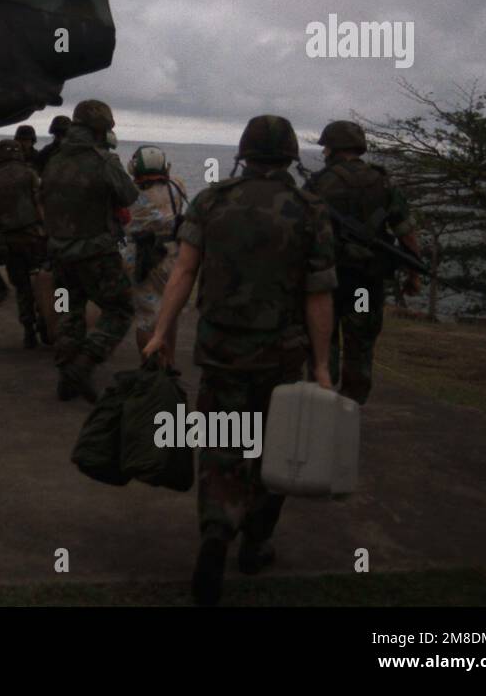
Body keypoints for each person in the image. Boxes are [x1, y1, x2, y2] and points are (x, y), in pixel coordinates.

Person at [143, 115, 337, 606]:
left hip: (220, 350)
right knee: (276, 450)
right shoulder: (310, 208)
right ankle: (254, 543)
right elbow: (319, 296)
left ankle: (215, 534)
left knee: (222, 447)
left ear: (244, 153)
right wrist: (320, 365)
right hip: (281, 354)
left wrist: (163, 332)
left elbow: (184, 271)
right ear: (292, 156)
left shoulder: (212, 200)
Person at [302, 120, 420, 405]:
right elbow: (406, 232)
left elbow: (301, 232)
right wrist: (414, 273)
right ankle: (351, 408)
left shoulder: (317, 183)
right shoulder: (383, 182)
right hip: (364, 285)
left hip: (326, 283)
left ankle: (321, 402)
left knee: (322, 343)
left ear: (330, 148)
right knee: (360, 346)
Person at [40, 100, 139, 402]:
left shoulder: (54, 159)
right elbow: (129, 195)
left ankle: (67, 376)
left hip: (59, 251)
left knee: (70, 312)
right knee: (120, 309)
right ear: (101, 129)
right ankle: (83, 365)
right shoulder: (104, 160)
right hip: (96, 252)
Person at [0, 139, 48, 347]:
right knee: (44, 283)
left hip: (7, 243)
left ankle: (28, 330)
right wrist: (49, 232)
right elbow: (40, 205)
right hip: (34, 239)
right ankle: (47, 323)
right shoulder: (29, 174)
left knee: (22, 287)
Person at [124, 146, 188, 366]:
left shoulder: (129, 191)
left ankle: (149, 368)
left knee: (145, 318)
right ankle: (168, 364)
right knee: (170, 311)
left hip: (139, 257)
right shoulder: (176, 185)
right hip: (172, 255)